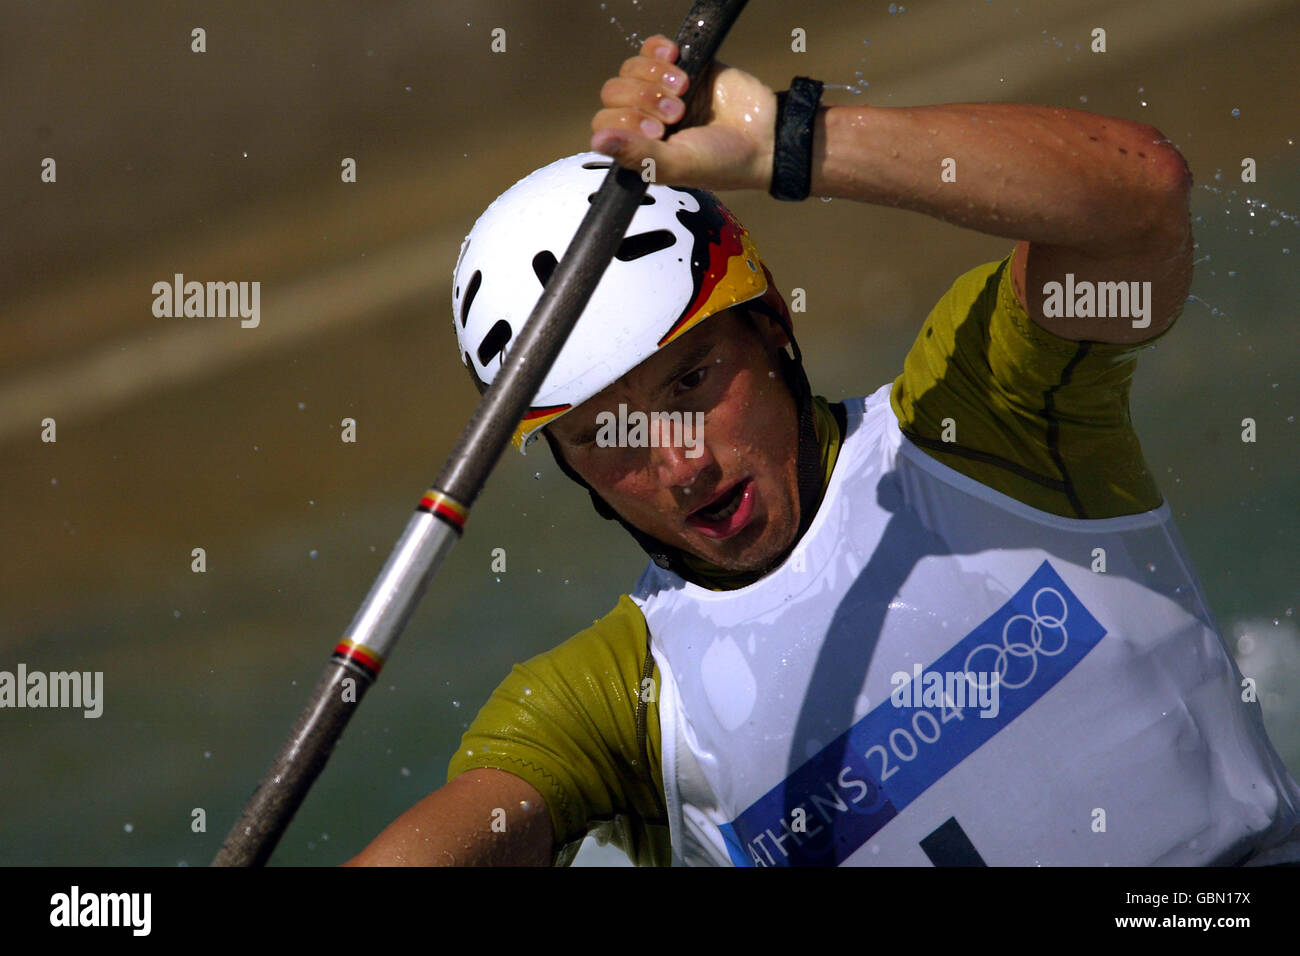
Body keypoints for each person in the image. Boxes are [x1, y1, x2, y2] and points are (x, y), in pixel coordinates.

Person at [346, 35, 1300, 867]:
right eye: (607, 435)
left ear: (774, 328)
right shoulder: (612, 703)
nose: (681, 466)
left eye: (692, 383)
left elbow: (1142, 201)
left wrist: (789, 142)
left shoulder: (981, 421)